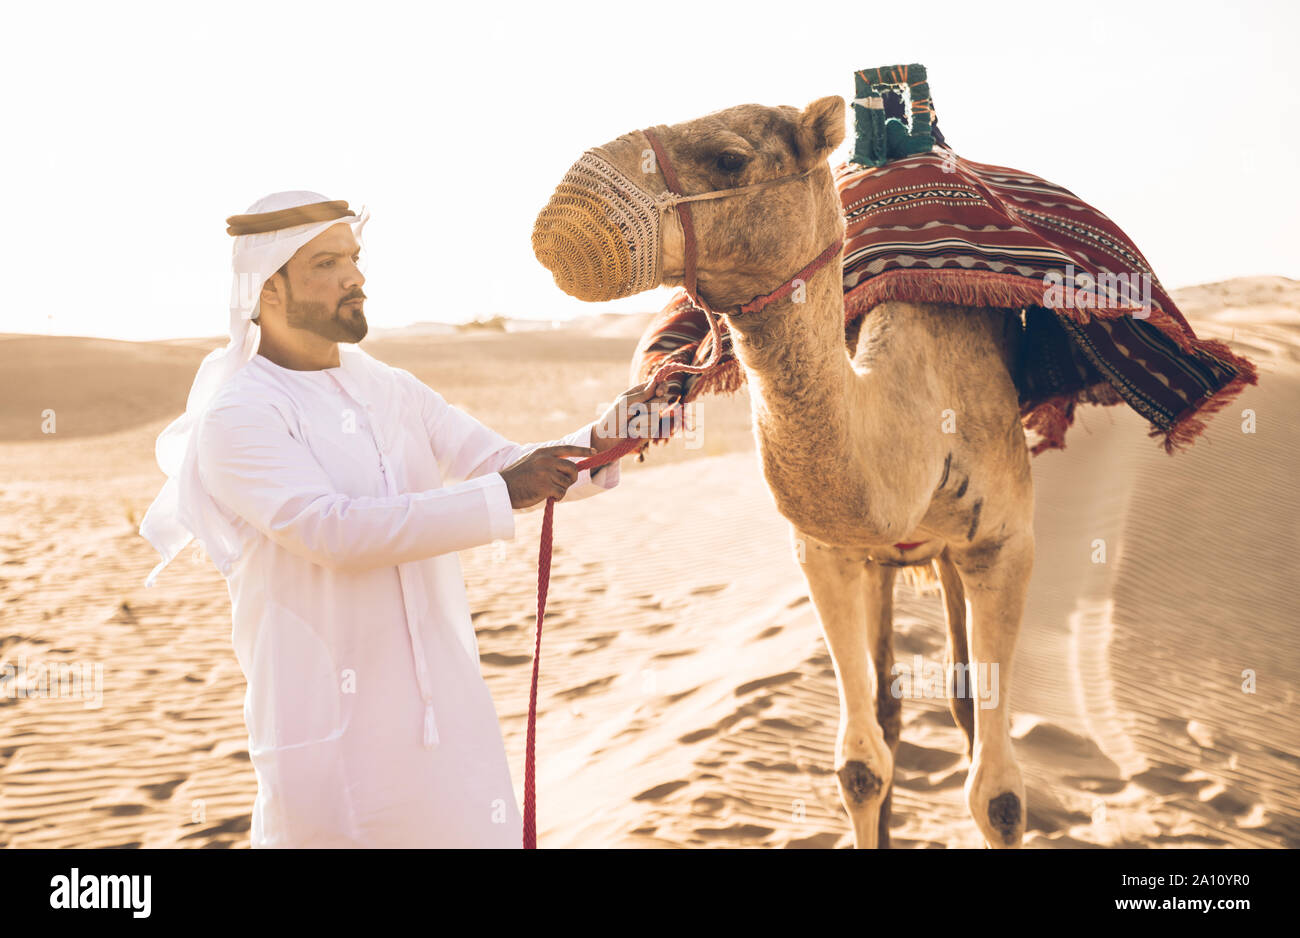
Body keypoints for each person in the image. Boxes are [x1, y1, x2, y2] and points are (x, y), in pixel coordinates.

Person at [139, 190, 667, 847]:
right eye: (327, 264)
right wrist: (502, 490)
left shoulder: (390, 388)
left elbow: (505, 465)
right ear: (267, 288)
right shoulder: (241, 416)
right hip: (329, 744)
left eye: (354, 258)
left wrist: (616, 433)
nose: (356, 277)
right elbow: (333, 532)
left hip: (446, 723)